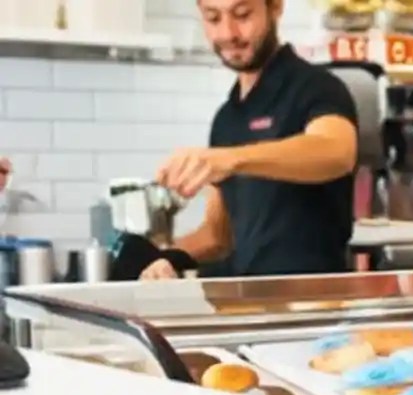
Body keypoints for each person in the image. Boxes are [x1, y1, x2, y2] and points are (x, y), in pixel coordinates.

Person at [141, 0, 358, 280]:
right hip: (247, 305)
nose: (228, 33)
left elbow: (336, 152)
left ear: (276, 7)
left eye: (242, 15)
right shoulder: (226, 119)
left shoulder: (317, 87)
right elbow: (217, 235)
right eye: (213, 18)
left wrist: (231, 159)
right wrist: (164, 257)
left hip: (313, 305)